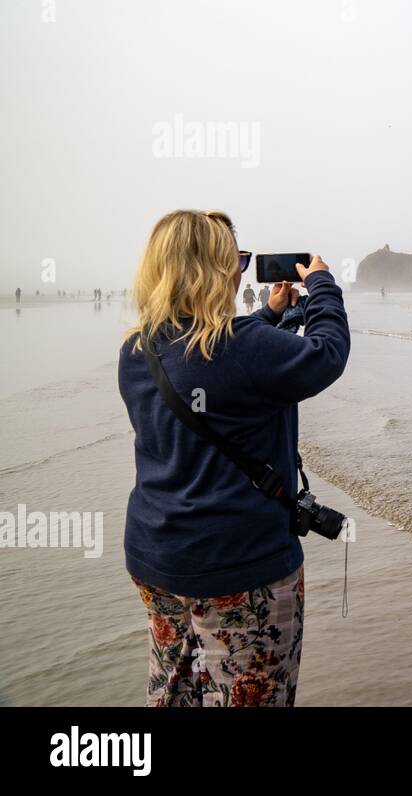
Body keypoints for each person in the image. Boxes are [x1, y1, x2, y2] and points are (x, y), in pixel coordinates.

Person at [119, 209, 349, 706]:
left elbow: (208, 372)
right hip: (240, 565)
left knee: (175, 691)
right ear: (215, 268)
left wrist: (267, 317)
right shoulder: (242, 348)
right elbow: (327, 354)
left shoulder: (138, 349)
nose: (240, 270)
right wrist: (324, 286)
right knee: (251, 696)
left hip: (156, 556)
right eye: (237, 260)